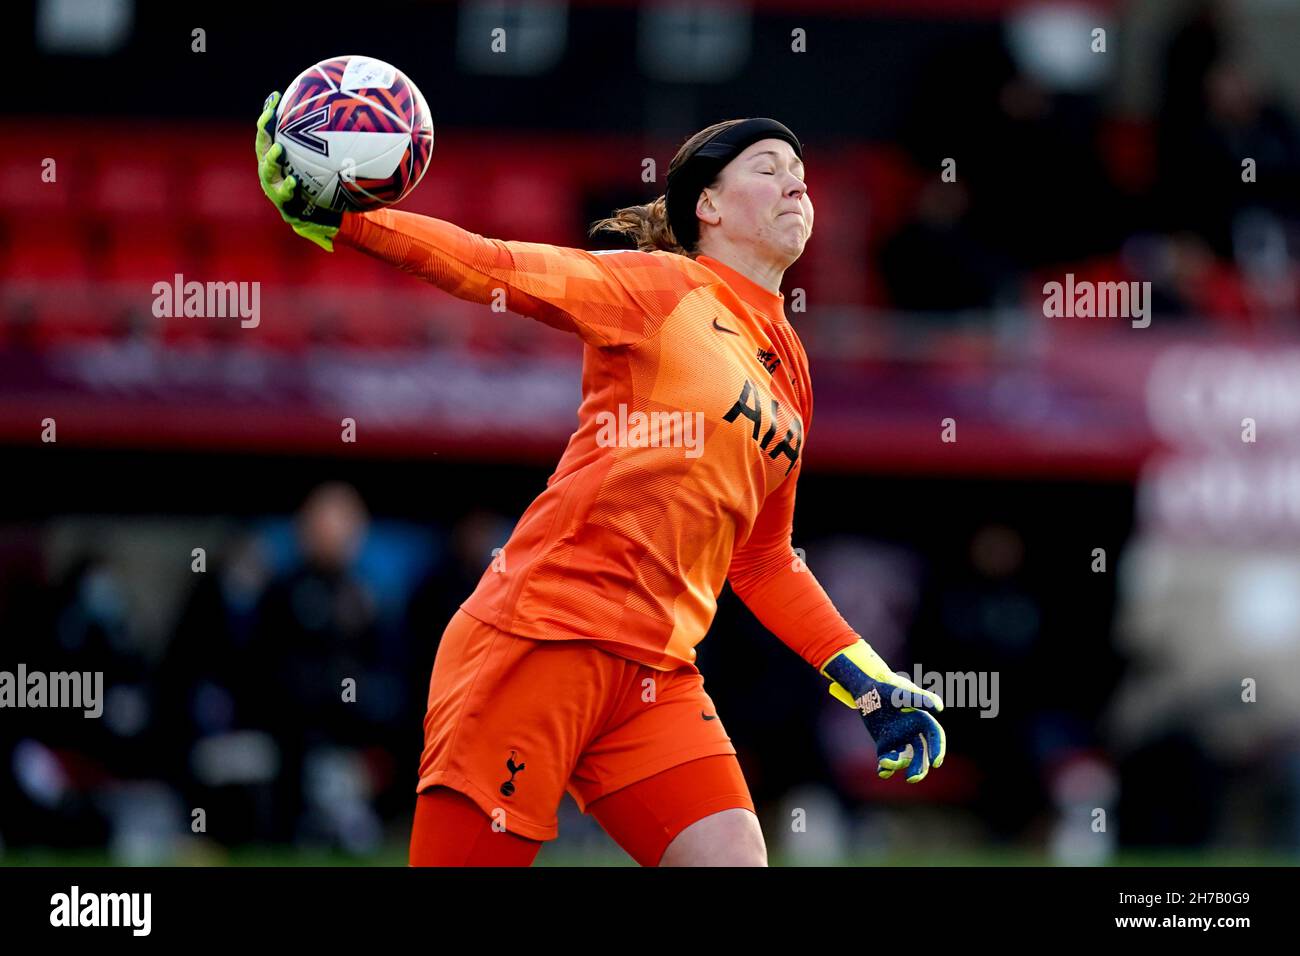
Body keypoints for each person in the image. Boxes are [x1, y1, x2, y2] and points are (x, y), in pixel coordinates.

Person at [254, 92, 947, 866]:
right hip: (540, 641)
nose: (797, 183)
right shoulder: (658, 289)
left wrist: (867, 678)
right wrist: (349, 219)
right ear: (707, 205)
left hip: (658, 676)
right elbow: (495, 267)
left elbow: (762, 559)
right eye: (769, 168)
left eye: (803, 173)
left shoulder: (792, 366)